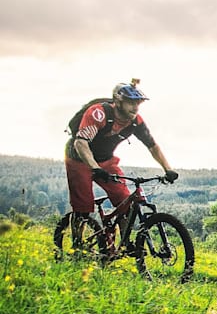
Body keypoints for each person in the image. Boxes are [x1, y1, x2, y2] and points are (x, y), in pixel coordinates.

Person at [65, 79, 178, 218]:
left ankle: (124, 239)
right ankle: (78, 238)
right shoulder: (99, 114)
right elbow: (80, 143)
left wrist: (168, 169)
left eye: (138, 103)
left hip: (106, 160)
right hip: (78, 160)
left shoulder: (136, 122)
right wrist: (94, 167)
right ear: (118, 102)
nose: (135, 107)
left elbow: (153, 146)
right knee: (83, 207)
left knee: (125, 202)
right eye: (131, 102)